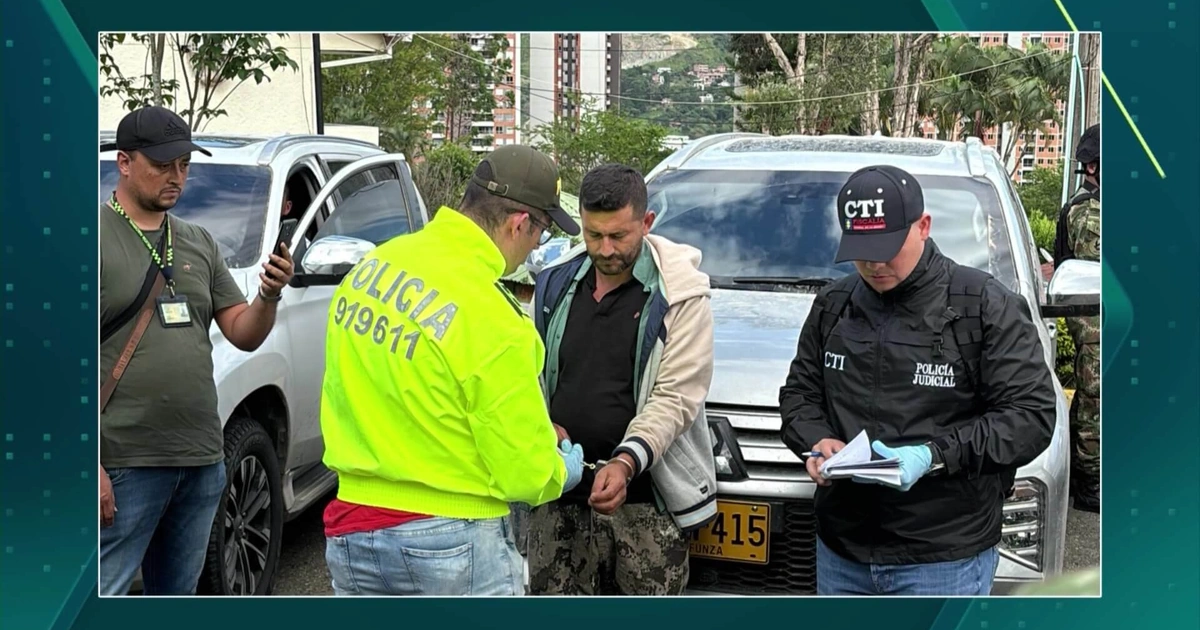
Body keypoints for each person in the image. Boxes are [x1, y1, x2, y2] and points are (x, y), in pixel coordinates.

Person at [318, 145, 587, 596]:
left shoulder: (373, 268)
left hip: (352, 528)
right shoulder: (494, 316)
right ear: (519, 223)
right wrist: (560, 471)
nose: (532, 250)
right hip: (451, 541)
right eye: (539, 234)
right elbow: (524, 472)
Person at [778, 164, 1056, 596]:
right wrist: (816, 440)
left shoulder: (982, 306)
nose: (874, 263)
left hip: (942, 557)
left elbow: (1030, 419)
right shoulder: (834, 305)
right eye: (862, 249)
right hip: (842, 550)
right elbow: (800, 393)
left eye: (887, 247)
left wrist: (934, 455)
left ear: (923, 226)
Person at [99, 106, 295, 595]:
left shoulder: (197, 242)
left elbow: (243, 332)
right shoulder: (92, 239)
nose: (176, 176)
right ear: (124, 163)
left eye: (184, 164)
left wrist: (268, 294)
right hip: (124, 464)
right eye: (163, 164)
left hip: (202, 460)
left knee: (177, 596)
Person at [526, 163, 718, 596]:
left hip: (645, 503)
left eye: (619, 236)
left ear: (647, 223)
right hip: (558, 500)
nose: (606, 249)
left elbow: (676, 396)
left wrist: (626, 461)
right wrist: (541, 424)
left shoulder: (681, 295)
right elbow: (528, 372)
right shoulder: (554, 284)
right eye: (594, 235)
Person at [1058, 124, 1101, 512]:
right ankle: (1088, 485)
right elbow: (1068, 267)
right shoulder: (1084, 211)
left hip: (1096, 320)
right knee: (1095, 400)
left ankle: (1080, 474)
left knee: (1092, 399)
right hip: (1095, 323)